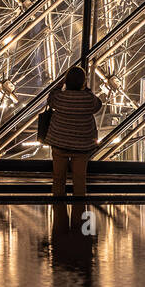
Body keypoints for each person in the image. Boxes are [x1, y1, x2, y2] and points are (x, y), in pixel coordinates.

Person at [45, 66, 101, 197]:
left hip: (60, 144)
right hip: (82, 146)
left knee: (58, 179)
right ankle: (79, 211)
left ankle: (59, 211)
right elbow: (98, 104)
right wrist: (86, 89)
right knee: (80, 180)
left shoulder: (60, 97)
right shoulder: (88, 99)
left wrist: (59, 85)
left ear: (66, 81)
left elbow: (50, 98)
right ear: (83, 82)